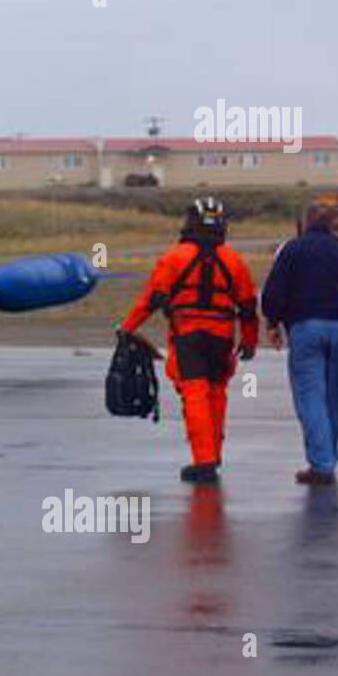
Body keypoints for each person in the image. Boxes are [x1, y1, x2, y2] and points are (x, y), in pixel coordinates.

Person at [119, 197, 259, 483]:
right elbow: (247, 306)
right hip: (221, 338)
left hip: (188, 336)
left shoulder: (174, 258)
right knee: (216, 394)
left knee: (195, 394)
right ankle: (214, 455)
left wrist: (127, 328)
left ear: (191, 222)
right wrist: (249, 341)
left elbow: (151, 299)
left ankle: (204, 460)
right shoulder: (234, 261)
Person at [261, 204, 338, 486]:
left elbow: (273, 293)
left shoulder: (292, 250)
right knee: (333, 397)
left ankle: (322, 464)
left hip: (305, 329)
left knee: (310, 396)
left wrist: (273, 323)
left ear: (304, 222)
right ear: (332, 224)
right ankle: (326, 457)